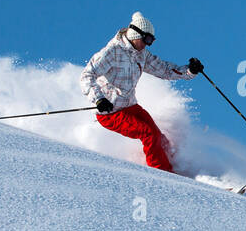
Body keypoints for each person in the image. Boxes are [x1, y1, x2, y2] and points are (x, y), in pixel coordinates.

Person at [79, 12, 204, 173]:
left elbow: (164, 70)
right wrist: (99, 99)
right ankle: (164, 176)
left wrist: (189, 71)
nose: (148, 44)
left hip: (130, 105)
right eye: (147, 40)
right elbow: (86, 75)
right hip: (110, 112)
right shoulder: (112, 52)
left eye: (151, 41)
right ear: (135, 34)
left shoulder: (141, 55)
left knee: (159, 137)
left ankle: (178, 168)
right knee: (148, 134)